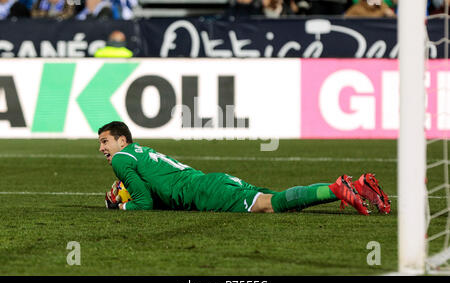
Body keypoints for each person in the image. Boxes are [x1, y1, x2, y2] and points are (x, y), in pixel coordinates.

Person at [99, 121, 391, 215]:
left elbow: (145, 202)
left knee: (269, 205)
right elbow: (157, 190)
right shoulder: (142, 152)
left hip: (203, 192)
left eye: (105, 142)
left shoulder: (122, 158)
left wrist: (122, 207)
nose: (102, 149)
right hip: (211, 182)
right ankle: (354, 186)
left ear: (121, 140)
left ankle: (337, 187)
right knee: (280, 201)